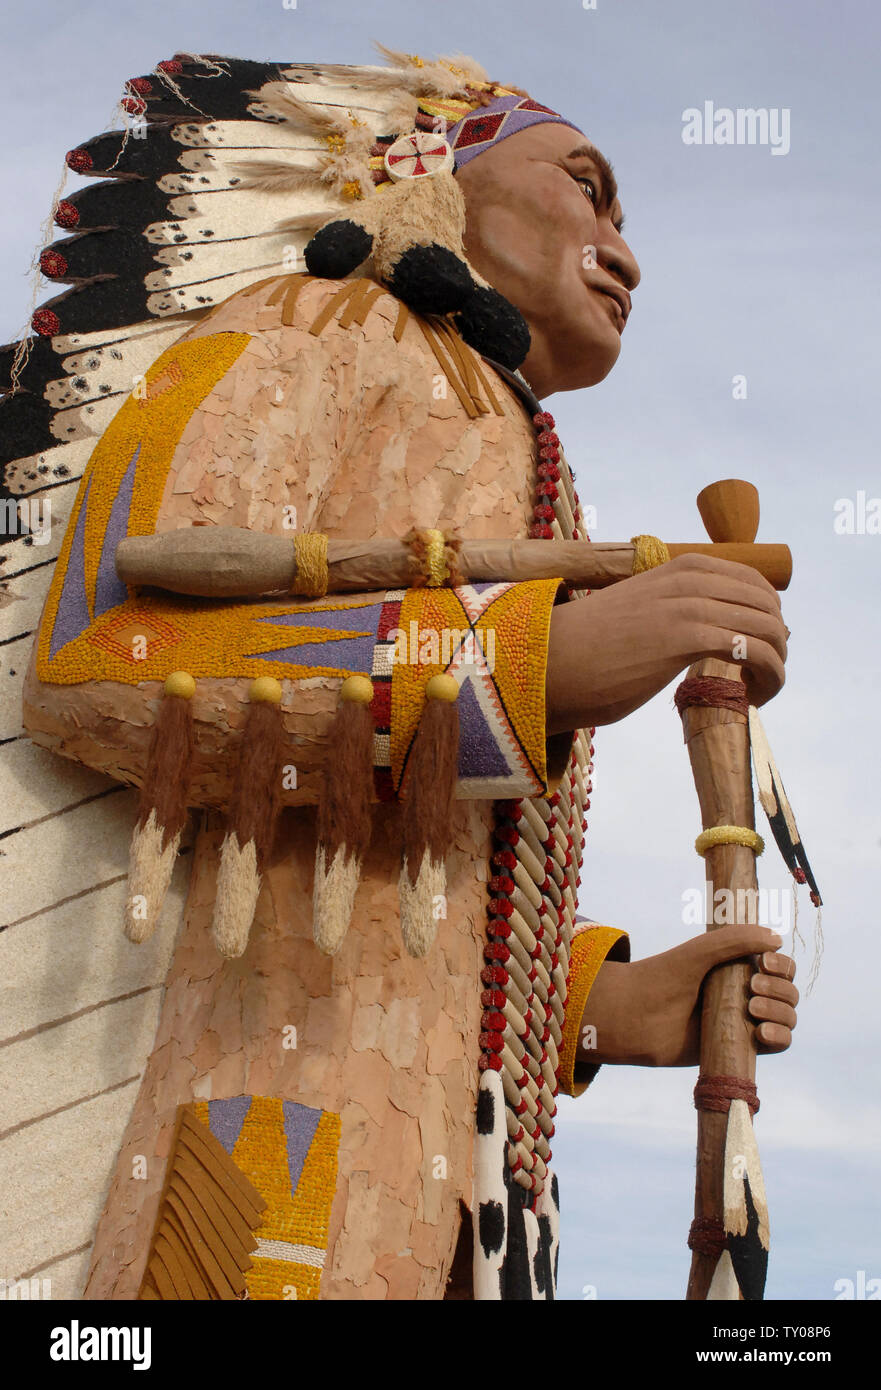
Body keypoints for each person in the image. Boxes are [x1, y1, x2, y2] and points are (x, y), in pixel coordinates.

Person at [15, 50, 797, 1300]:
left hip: (474, 1221)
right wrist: (520, 667)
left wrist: (602, 1005)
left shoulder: (536, 466)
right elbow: (93, 657)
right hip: (262, 1150)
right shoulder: (310, 327)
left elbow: (426, 906)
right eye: (585, 187)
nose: (624, 252)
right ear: (428, 166)